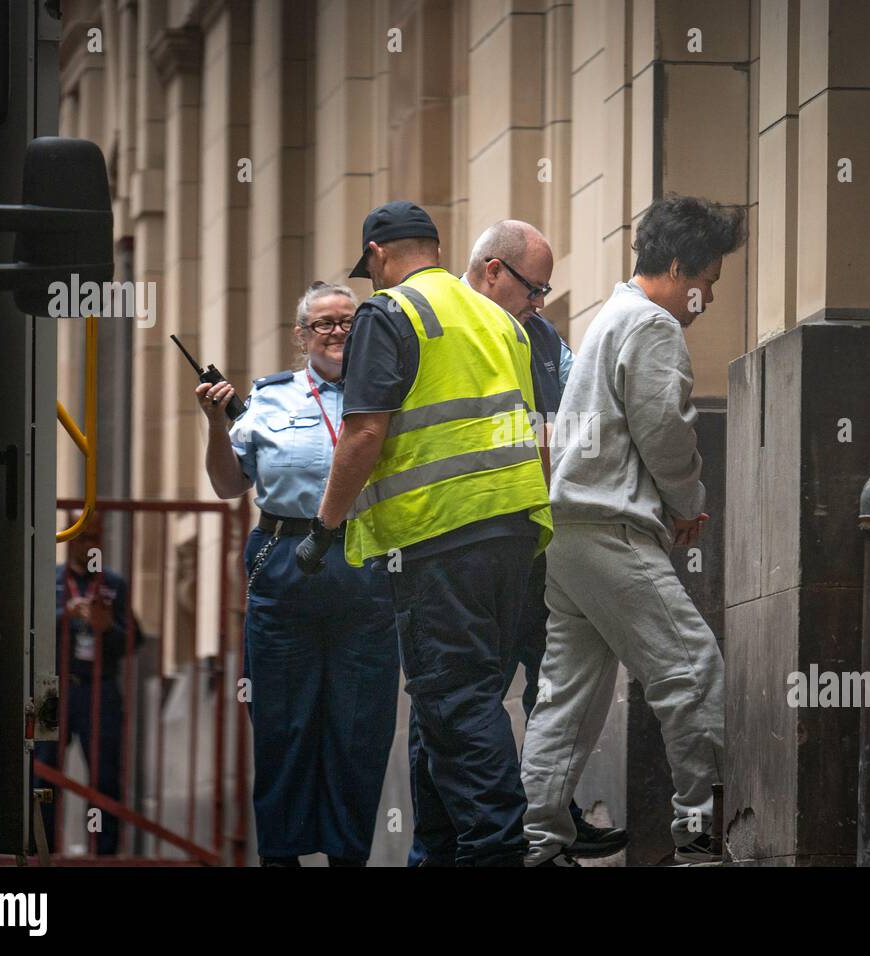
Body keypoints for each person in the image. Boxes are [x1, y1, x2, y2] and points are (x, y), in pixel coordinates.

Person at [295, 200, 551, 866]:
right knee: (453, 699)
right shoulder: (501, 321)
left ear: (378, 257)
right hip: (516, 530)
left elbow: (365, 432)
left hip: (443, 536)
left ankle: (496, 849)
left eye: (370, 270)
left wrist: (324, 528)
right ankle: (439, 853)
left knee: (456, 699)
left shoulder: (391, 312)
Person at [519, 195, 747, 866]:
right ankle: (700, 845)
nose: (706, 296)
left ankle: (534, 846)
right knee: (695, 676)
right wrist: (688, 504)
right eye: (708, 281)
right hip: (614, 530)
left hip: (569, 534)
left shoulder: (608, 319)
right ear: (680, 266)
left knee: (567, 700)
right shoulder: (651, 326)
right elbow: (666, 433)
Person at [197, 280, 399, 867]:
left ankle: (346, 857)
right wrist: (215, 424)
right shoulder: (268, 399)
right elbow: (228, 485)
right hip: (284, 561)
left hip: (364, 561)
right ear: (301, 337)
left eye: (347, 321)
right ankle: (281, 856)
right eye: (323, 324)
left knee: (359, 726)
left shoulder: (389, 394)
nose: (337, 332)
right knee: (283, 724)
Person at [459, 219, 627, 861]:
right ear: (494, 271)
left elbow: (569, 412)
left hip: (541, 540)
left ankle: (550, 822)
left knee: (552, 687)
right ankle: (484, 834)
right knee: (473, 699)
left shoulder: (539, 333)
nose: (540, 301)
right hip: (477, 545)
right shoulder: (455, 331)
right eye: (534, 288)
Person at [37, 511, 141, 856]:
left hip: (100, 687)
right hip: (54, 688)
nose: (89, 545)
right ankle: (44, 852)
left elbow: (133, 641)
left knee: (104, 776)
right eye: (82, 537)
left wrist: (106, 626)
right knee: (44, 775)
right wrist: (64, 613)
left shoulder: (114, 584)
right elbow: (32, 635)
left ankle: (104, 854)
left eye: (95, 537)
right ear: (69, 540)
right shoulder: (48, 580)